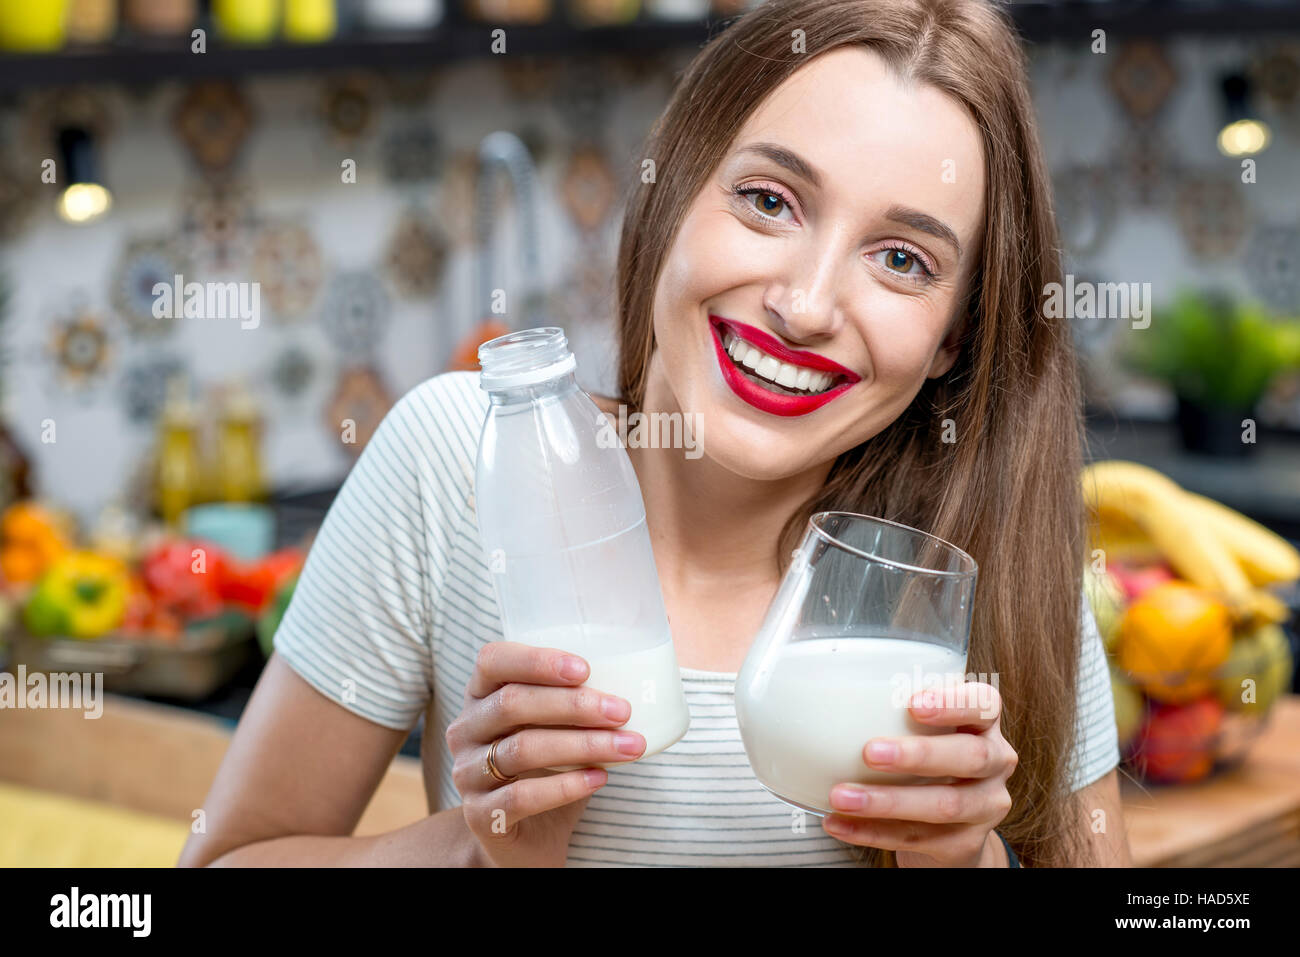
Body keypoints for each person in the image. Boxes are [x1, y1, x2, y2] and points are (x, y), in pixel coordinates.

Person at [180, 0, 1132, 868]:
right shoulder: (461, 457)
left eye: (900, 259)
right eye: (769, 201)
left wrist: (963, 867)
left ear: (951, 339)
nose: (803, 306)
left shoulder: (994, 550)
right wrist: (476, 855)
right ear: (674, 191)